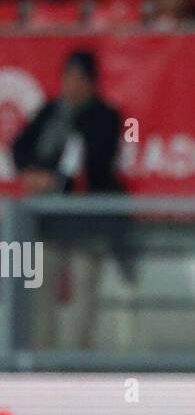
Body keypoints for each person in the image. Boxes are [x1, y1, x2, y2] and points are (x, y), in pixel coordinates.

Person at [12, 48, 129, 349]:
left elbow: (97, 161)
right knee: (39, 289)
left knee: (83, 293)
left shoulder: (105, 116)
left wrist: (58, 180)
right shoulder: (50, 112)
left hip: (86, 223)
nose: (71, 85)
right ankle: (41, 361)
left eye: (78, 78)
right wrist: (34, 174)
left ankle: (78, 366)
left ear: (91, 82)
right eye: (67, 77)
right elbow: (20, 147)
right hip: (47, 221)